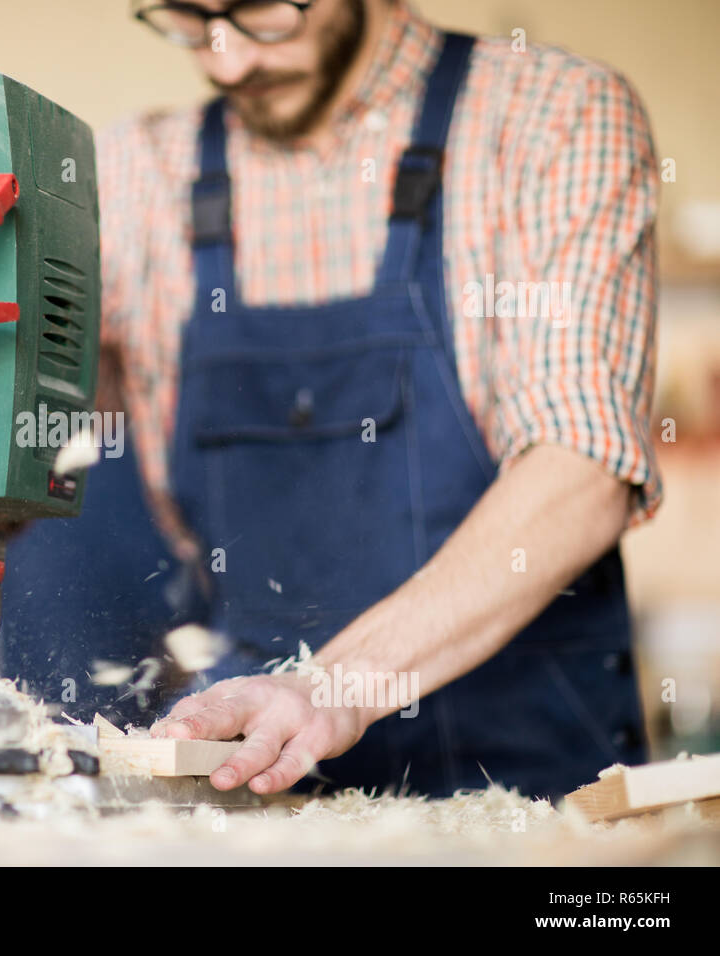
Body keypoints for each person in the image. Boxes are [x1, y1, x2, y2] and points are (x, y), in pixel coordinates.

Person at [69, 0, 660, 801]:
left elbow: (582, 467)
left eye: (261, 11)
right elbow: (34, 397)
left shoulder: (550, 116)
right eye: (187, 17)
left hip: (530, 795)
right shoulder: (138, 170)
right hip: (262, 781)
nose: (227, 61)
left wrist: (332, 687)